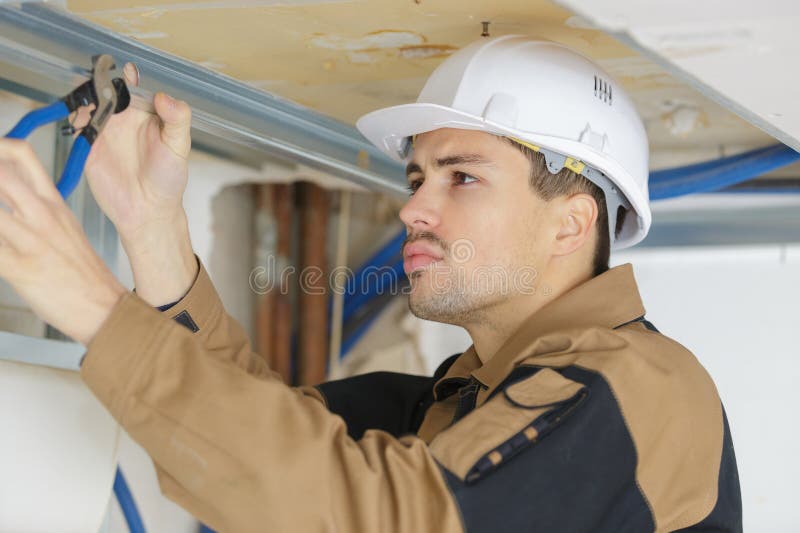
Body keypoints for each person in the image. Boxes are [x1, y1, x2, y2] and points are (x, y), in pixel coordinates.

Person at [0, 35, 741, 532]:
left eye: (462, 177)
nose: (412, 208)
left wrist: (93, 304)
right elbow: (252, 444)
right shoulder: (452, 404)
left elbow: (376, 515)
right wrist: (151, 227)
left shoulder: (638, 386)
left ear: (571, 224)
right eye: (418, 179)